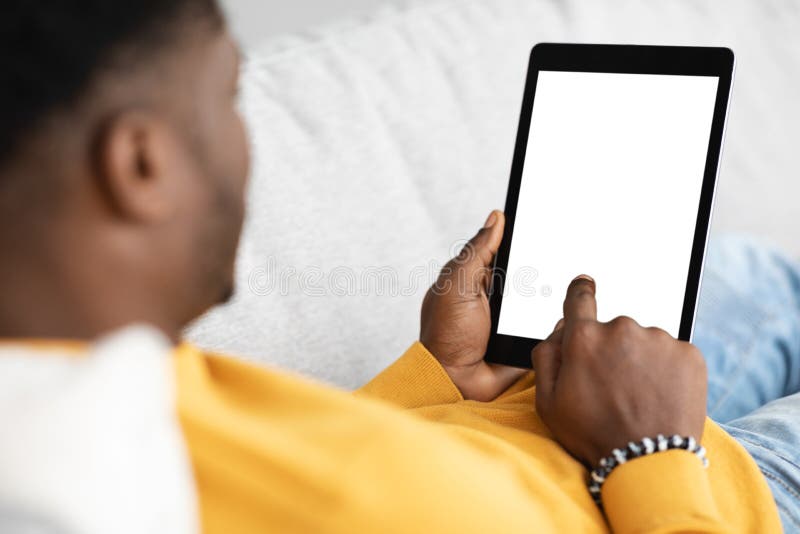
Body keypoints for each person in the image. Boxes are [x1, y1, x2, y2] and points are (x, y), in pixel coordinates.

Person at [0, 0, 796, 532]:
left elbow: (310, 460)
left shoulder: (101, 375)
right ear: (141, 164)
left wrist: (438, 375)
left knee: (753, 275)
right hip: (706, 491)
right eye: (228, 97)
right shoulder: (90, 487)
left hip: (551, 414)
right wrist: (646, 452)